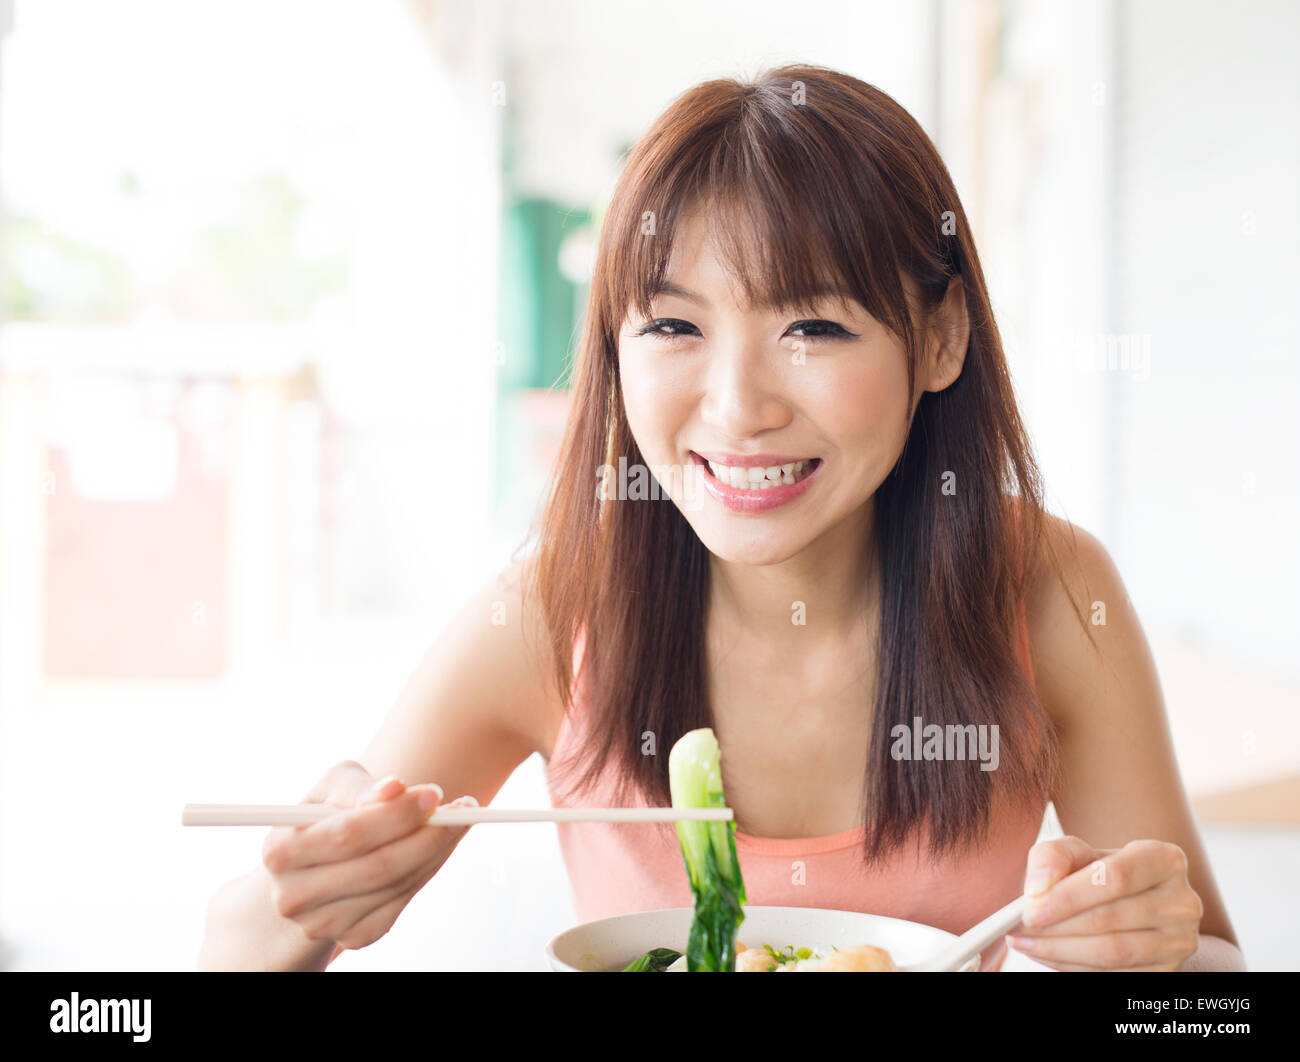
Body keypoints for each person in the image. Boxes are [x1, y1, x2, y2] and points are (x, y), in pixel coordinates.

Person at [198, 64, 1243, 972]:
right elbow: (229, 950)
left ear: (939, 339)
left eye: (814, 326)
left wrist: (1152, 950)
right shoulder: (554, 611)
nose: (738, 407)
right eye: (672, 324)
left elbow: (1207, 993)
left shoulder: (1048, 591)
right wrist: (311, 895)